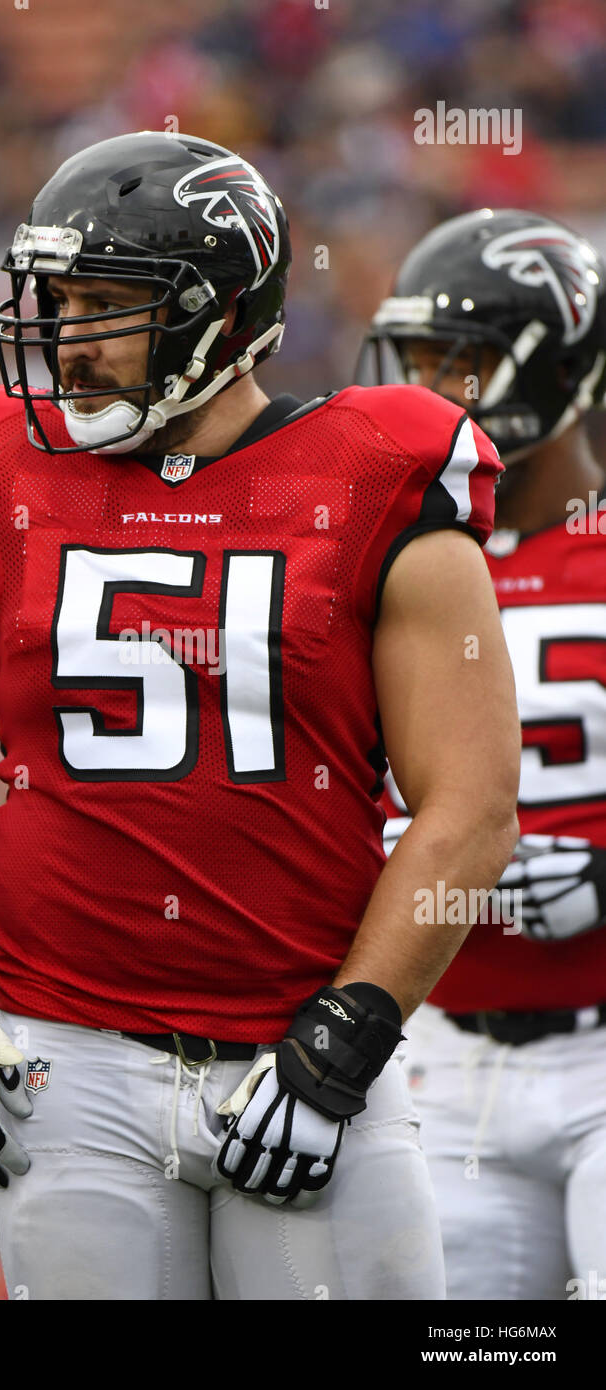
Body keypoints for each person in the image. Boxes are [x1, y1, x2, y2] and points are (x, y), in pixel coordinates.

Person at [0, 132, 519, 1301]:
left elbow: (469, 805)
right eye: (58, 300)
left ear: (221, 312)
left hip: (303, 1047)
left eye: (108, 304)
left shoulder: (377, 469)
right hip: (71, 1059)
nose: (68, 338)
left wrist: (344, 1041)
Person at [362, 206, 606, 1301]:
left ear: (558, 368)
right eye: (415, 364)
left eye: (457, 363)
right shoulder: (395, 557)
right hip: (443, 1047)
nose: (429, 393)